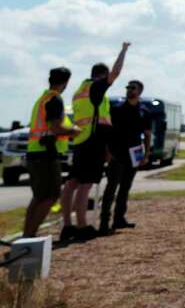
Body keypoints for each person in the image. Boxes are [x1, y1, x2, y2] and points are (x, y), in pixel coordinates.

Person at [60, 42, 129, 243]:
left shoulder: (79, 91)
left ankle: (67, 226)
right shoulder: (96, 87)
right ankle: (82, 226)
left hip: (81, 140)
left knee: (72, 183)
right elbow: (115, 73)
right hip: (94, 140)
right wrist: (123, 51)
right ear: (101, 76)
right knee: (86, 184)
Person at [23, 67, 80, 238]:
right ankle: (29, 237)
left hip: (35, 152)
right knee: (50, 196)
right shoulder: (55, 99)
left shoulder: (43, 98)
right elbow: (56, 127)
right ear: (66, 82)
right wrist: (73, 131)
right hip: (45, 154)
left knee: (39, 196)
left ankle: (27, 235)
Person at [99, 79, 151, 234]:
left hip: (134, 154)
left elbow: (147, 134)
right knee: (111, 187)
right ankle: (104, 222)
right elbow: (108, 133)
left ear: (139, 91)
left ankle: (119, 219)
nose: (129, 90)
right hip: (117, 153)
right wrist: (107, 152)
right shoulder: (117, 109)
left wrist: (146, 154)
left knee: (125, 187)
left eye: (133, 88)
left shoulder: (144, 111)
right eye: (128, 87)